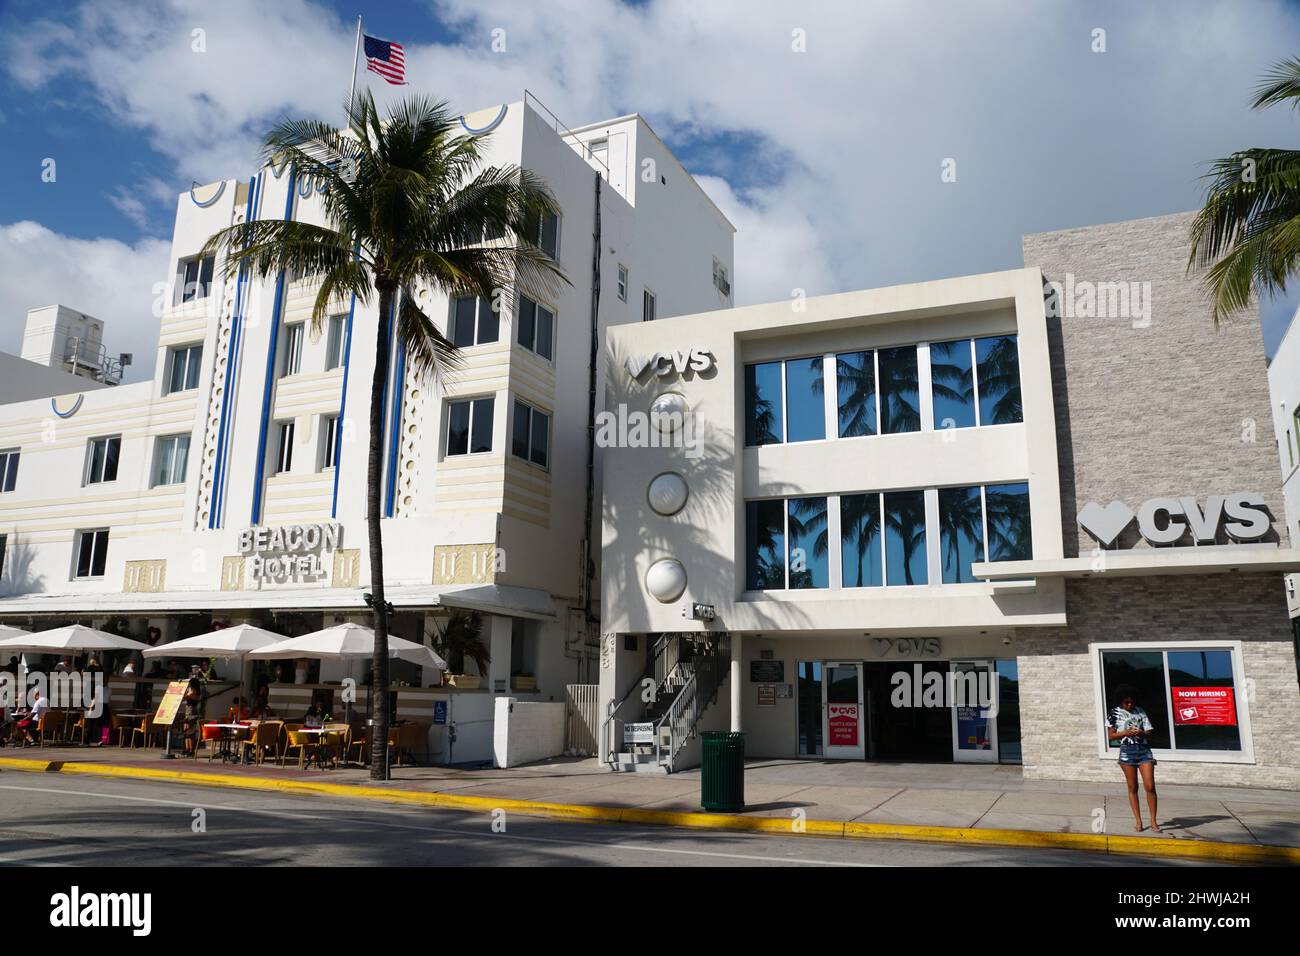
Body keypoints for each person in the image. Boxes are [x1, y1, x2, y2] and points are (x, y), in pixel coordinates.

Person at [1107, 684, 1159, 832]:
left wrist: (1142, 733)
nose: (1130, 704)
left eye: (1132, 702)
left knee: (1150, 786)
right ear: (1121, 701)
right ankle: (1138, 821)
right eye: (1126, 702)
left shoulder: (1140, 711)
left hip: (1144, 751)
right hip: (1127, 751)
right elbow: (1110, 736)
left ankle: (1154, 821)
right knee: (1133, 787)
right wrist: (1125, 733)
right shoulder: (1114, 713)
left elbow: (1150, 732)